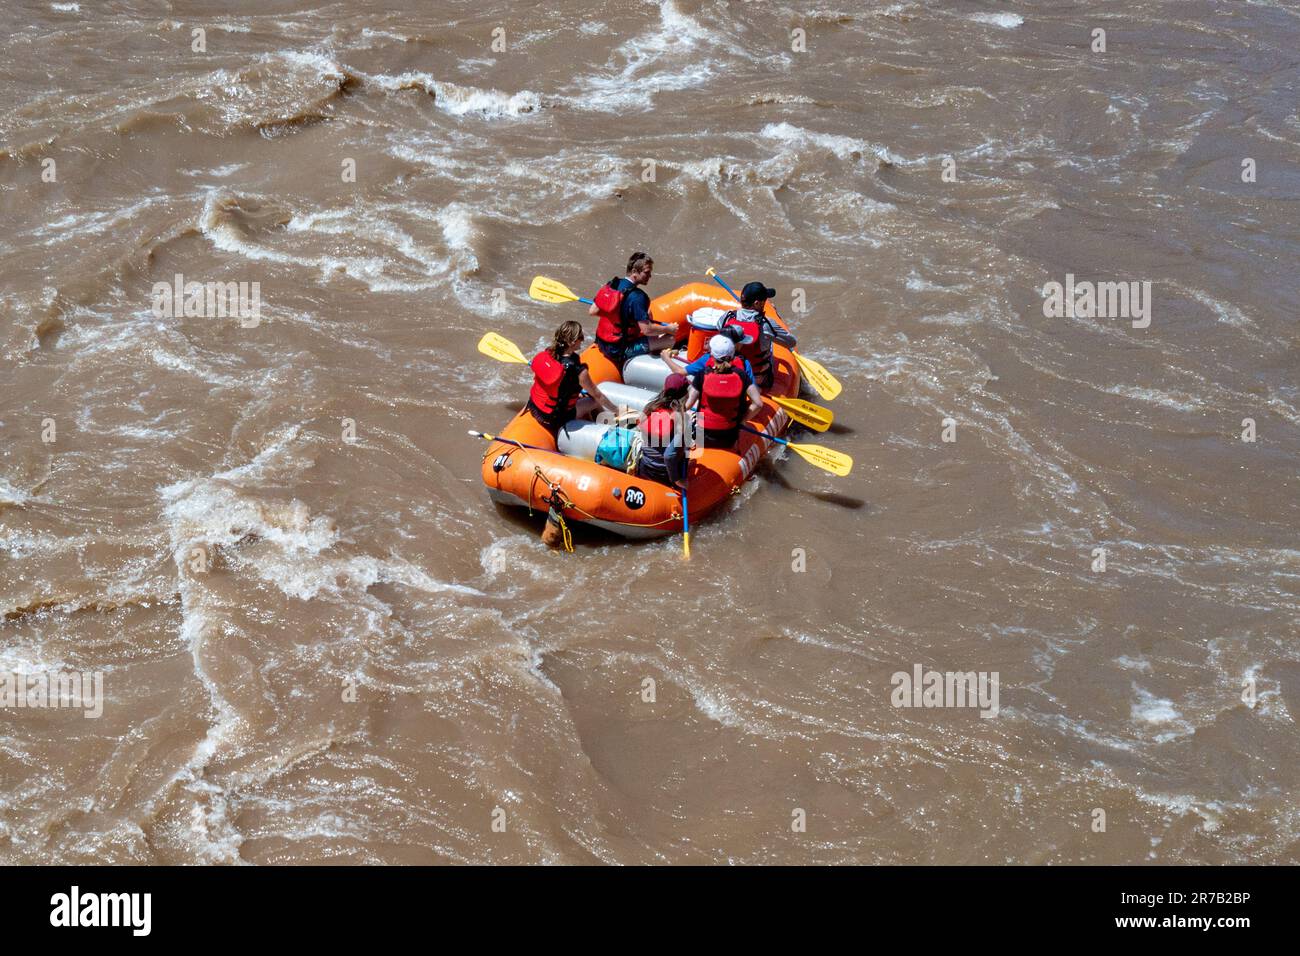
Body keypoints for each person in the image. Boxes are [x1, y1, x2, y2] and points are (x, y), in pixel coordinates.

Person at [588, 251, 677, 371]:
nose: (650, 276)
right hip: (620, 350)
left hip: (602, 343)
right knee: (670, 339)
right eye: (647, 272)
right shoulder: (638, 297)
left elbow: (593, 311)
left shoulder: (612, 284)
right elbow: (647, 330)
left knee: (647, 314)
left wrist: (617, 313)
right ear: (635, 272)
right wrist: (669, 329)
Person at [526, 320, 617, 433]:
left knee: (581, 396)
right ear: (572, 342)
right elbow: (598, 395)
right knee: (595, 401)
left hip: (535, 409)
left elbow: (557, 385)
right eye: (580, 336)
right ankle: (607, 427)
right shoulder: (578, 370)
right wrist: (617, 410)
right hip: (554, 418)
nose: (583, 339)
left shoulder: (550, 354)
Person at [685, 334, 764, 450]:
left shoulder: (702, 375)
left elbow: (688, 405)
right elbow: (758, 404)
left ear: (711, 355)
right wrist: (742, 421)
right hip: (730, 437)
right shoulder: (742, 375)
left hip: (702, 435)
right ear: (732, 355)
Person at [723, 281, 797, 390]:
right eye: (765, 300)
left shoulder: (727, 316)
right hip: (758, 379)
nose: (766, 303)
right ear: (757, 303)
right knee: (769, 345)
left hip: (731, 372)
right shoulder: (766, 324)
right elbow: (791, 342)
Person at [635, 373, 690, 489]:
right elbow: (669, 456)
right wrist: (677, 480)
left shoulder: (651, 407)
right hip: (663, 473)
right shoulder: (679, 419)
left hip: (645, 466)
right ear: (684, 395)